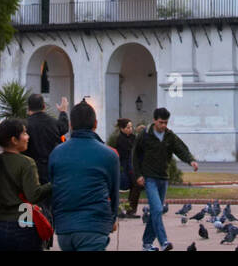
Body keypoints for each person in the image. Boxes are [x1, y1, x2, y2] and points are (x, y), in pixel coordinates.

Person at [50, 100, 120, 251]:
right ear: (95, 124)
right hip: (94, 225)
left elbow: (53, 189)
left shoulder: (57, 153)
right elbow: (114, 193)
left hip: (65, 228)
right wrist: (112, 219)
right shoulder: (109, 154)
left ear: (70, 125)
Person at [0, 118, 51, 251]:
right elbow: (33, 195)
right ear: (14, 140)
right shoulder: (26, 163)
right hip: (24, 222)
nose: (28, 137)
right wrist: (54, 184)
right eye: (24, 133)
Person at [133, 106, 199, 252]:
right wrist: (138, 175)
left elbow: (181, 149)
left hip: (163, 178)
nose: (163, 126)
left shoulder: (169, 136)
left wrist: (191, 161)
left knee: (156, 212)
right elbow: (135, 156)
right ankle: (164, 242)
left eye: (166, 123)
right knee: (157, 209)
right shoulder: (144, 135)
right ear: (154, 120)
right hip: (149, 178)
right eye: (161, 122)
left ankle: (147, 244)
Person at [24, 93, 69, 185]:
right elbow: (64, 127)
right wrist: (63, 112)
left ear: (28, 108)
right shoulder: (53, 123)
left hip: (31, 169)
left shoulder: (24, 125)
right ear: (44, 106)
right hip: (51, 167)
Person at [107, 118, 141, 216]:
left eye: (131, 127)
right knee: (135, 185)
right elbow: (127, 154)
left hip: (131, 165)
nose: (130, 129)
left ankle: (130, 209)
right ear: (122, 128)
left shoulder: (133, 137)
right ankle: (128, 210)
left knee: (136, 186)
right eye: (128, 127)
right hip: (125, 166)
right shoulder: (120, 139)